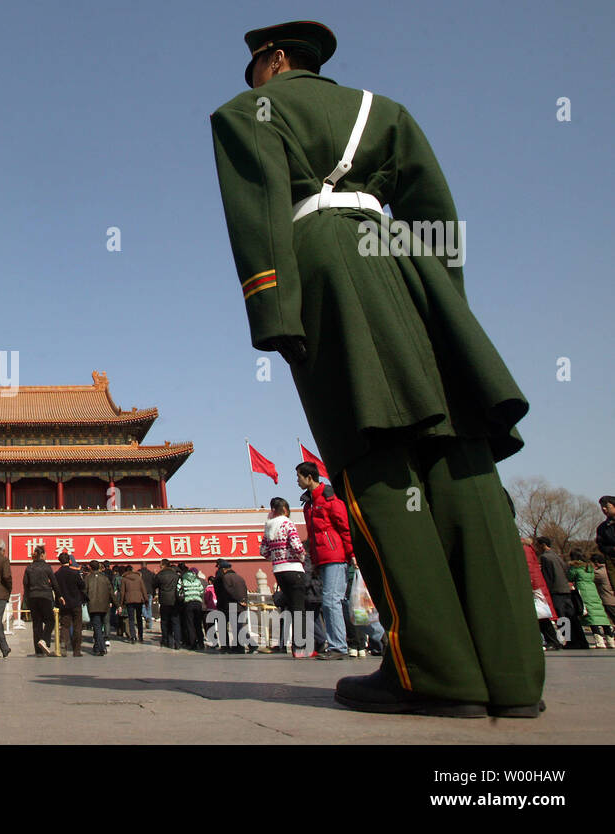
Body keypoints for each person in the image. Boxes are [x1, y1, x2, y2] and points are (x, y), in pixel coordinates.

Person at [212, 19, 544, 717]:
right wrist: (443, 305)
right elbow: (435, 213)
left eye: (255, 67)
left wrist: (273, 307)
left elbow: (260, 209)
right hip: (406, 267)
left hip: (327, 269)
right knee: (463, 459)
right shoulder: (385, 112)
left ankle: (434, 672)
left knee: (377, 461)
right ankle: (514, 677)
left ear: (272, 60)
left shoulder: (250, 111)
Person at [294, 463, 352, 660]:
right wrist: (316, 562)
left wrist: (351, 553)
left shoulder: (329, 498)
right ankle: (341, 644)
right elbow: (312, 537)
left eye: (299, 477)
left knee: (331, 601)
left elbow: (344, 527)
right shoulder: (309, 505)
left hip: (335, 555)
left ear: (309, 477)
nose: (297, 481)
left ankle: (339, 646)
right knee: (333, 602)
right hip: (322, 558)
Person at [260, 498, 311, 656]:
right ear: (285, 510)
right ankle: (300, 647)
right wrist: (303, 557)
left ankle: (293, 645)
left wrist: (275, 556)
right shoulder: (288, 524)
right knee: (299, 609)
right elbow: (296, 545)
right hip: (293, 568)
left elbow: (263, 551)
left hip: (278, 570)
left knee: (290, 606)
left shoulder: (268, 527)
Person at [536, 537, 581, 649]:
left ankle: (570, 641)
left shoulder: (545, 557)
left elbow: (547, 577)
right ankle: (581, 641)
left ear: (542, 545)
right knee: (572, 616)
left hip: (556, 590)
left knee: (562, 617)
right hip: (565, 589)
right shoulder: (556, 556)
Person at [568, 553, 613, 649]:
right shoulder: (590, 568)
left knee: (591, 617)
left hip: (583, 592)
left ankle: (599, 641)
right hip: (593, 591)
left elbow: (570, 577)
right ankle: (610, 640)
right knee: (602, 616)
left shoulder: (575, 568)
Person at [22, 546, 57, 656]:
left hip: (32, 597)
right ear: (42, 555)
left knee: (36, 624)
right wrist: (59, 595)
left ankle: (38, 651)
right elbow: (54, 582)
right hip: (45, 597)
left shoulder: (29, 568)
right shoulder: (47, 567)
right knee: (50, 621)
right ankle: (44, 640)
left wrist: (27, 599)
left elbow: (25, 584)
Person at [53, 552, 87, 656]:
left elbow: (54, 587)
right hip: (76, 602)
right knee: (77, 626)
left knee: (64, 625)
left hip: (63, 603)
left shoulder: (57, 574)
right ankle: (76, 650)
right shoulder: (74, 573)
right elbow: (82, 585)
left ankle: (63, 646)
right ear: (69, 561)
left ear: (59, 561)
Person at [213, 560, 250, 653]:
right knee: (238, 626)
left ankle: (235, 647)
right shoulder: (239, 577)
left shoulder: (225, 578)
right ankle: (250, 644)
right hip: (240, 605)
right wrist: (243, 601)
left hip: (230, 604)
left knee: (232, 627)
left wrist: (239, 600)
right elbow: (245, 590)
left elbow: (229, 591)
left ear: (223, 569)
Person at [85, 560, 117, 656]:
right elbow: (111, 592)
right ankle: (97, 646)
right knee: (102, 624)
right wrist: (117, 604)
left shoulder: (87, 578)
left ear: (90, 567)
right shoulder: (105, 578)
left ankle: (102, 648)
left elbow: (84, 591)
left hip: (93, 606)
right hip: (105, 605)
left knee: (97, 627)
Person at [153, 559, 182, 649]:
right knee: (175, 622)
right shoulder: (175, 575)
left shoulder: (160, 575)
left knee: (165, 622)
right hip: (174, 601)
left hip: (164, 601)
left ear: (163, 565)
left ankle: (166, 641)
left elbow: (154, 585)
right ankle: (177, 642)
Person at [179, 564, 206, 650]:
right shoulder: (197, 581)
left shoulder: (182, 580)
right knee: (198, 623)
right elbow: (202, 591)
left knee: (190, 624)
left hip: (188, 603)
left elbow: (179, 592)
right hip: (197, 603)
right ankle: (201, 642)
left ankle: (193, 643)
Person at [118, 564, 147, 644]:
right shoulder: (139, 578)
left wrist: (121, 603)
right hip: (139, 600)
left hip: (129, 600)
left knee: (131, 619)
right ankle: (140, 636)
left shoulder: (124, 579)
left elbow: (122, 592)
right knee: (139, 618)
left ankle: (133, 636)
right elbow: (143, 589)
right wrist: (146, 599)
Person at [597, 497, 615, 595]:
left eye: (606, 506)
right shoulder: (602, 528)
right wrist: (611, 549)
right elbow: (601, 546)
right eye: (602, 507)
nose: (604, 509)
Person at [139, 561, 156, 632]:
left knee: (142, 606)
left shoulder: (139, 573)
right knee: (149, 607)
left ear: (141, 565)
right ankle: (149, 625)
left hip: (142, 592)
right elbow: (154, 584)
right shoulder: (151, 573)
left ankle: (146, 617)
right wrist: (154, 593)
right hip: (150, 592)